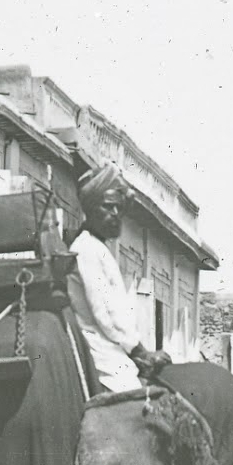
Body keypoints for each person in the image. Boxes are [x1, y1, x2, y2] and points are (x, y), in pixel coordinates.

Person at [67, 163, 171, 394]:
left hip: (113, 346)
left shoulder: (98, 247)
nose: (115, 215)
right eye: (108, 207)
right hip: (100, 349)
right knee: (133, 400)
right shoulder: (86, 249)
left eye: (118, 209)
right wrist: (139, 352)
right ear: (91, 209)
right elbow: (107, 315)